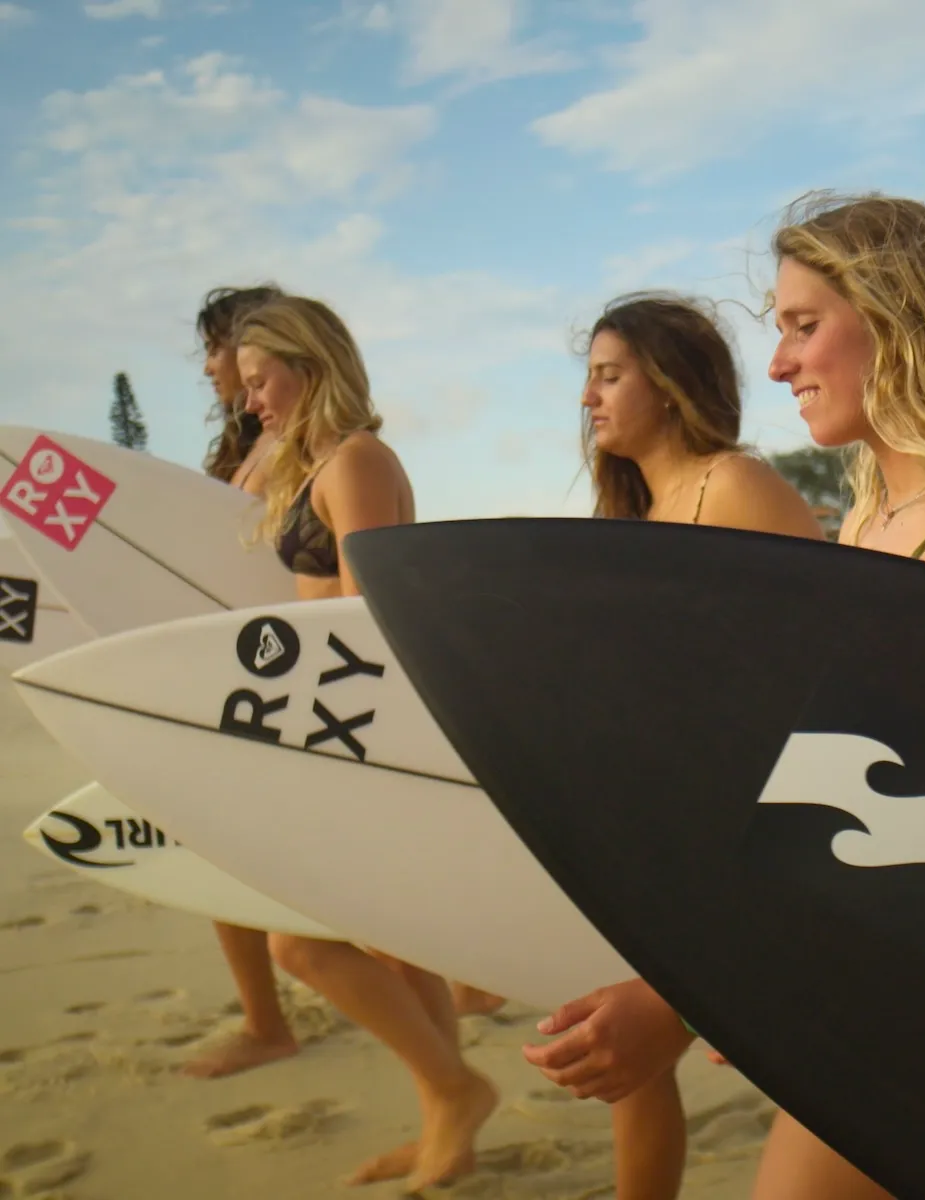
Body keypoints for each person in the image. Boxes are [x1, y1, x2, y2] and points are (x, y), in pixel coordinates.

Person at [524, 193, 925, 1199]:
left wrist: (685, 1006)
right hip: (875, 986)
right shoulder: (873, 527)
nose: (777, 365)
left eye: (805, 328)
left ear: (902, 319)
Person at [522, 291, 821, 1200]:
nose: (590, 399)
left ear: (672, 379)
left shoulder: (734, 487)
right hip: (661, 821)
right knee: (631, 1062)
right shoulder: (637, 519)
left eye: (609, 376)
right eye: (589, 380)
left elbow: (825, 676)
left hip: (751, 825)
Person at [233, 295, 498, 1192]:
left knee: (300, 945)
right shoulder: (319, 464)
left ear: (308, 366)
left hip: (360, 725)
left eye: (261, 381)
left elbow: (369, 618)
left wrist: (337, 754)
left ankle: (456, 1092)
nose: (252, 402)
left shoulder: (356, 460)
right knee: (394, 946)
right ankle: (443, 1128)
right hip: (339, 725)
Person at [178, 283, 299, 1081]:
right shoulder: (245, 446)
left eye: (214, 350)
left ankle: (267, 1022)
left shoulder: (299, 445)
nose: (213, 370)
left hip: (268, 672)